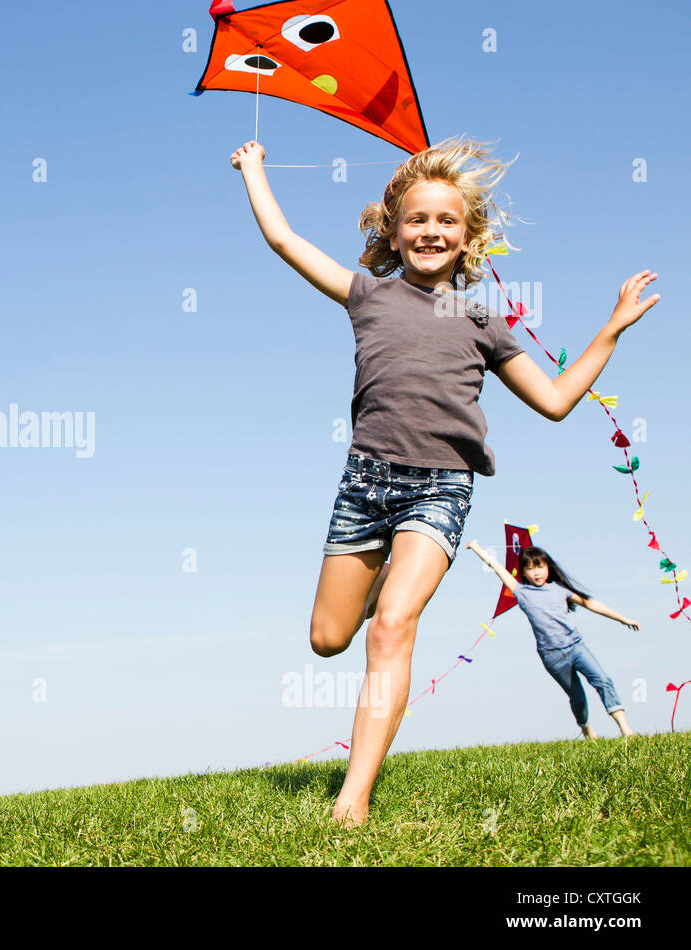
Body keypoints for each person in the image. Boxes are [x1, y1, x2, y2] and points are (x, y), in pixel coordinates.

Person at [229, 135, 659, 825]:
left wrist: (611, 328)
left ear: (468, 239)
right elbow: (284, 240)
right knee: (329, 638)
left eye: (446, 221)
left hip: (442, 487)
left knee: (392, 628)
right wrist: (254, 170)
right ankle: (373, 590)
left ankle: (353, 797)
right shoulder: (365, 294)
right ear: (394, 233)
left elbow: (552, 402)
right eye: (418, 220)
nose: (431, 231)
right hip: (365, 487)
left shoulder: (483, 321)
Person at [465, 541, 638, 738]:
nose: (536, 572)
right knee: (577, 697)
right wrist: (477, 548)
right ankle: (586, 728)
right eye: (529, 568)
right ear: (522, 571)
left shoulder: (559, 589)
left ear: (548, 567)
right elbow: (496, 567)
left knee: (602, 680)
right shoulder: (521, 591)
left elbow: (590, 603)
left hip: (575, 645)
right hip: (552, 656)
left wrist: (623, 619)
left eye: (540, 566)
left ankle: (626, 729)